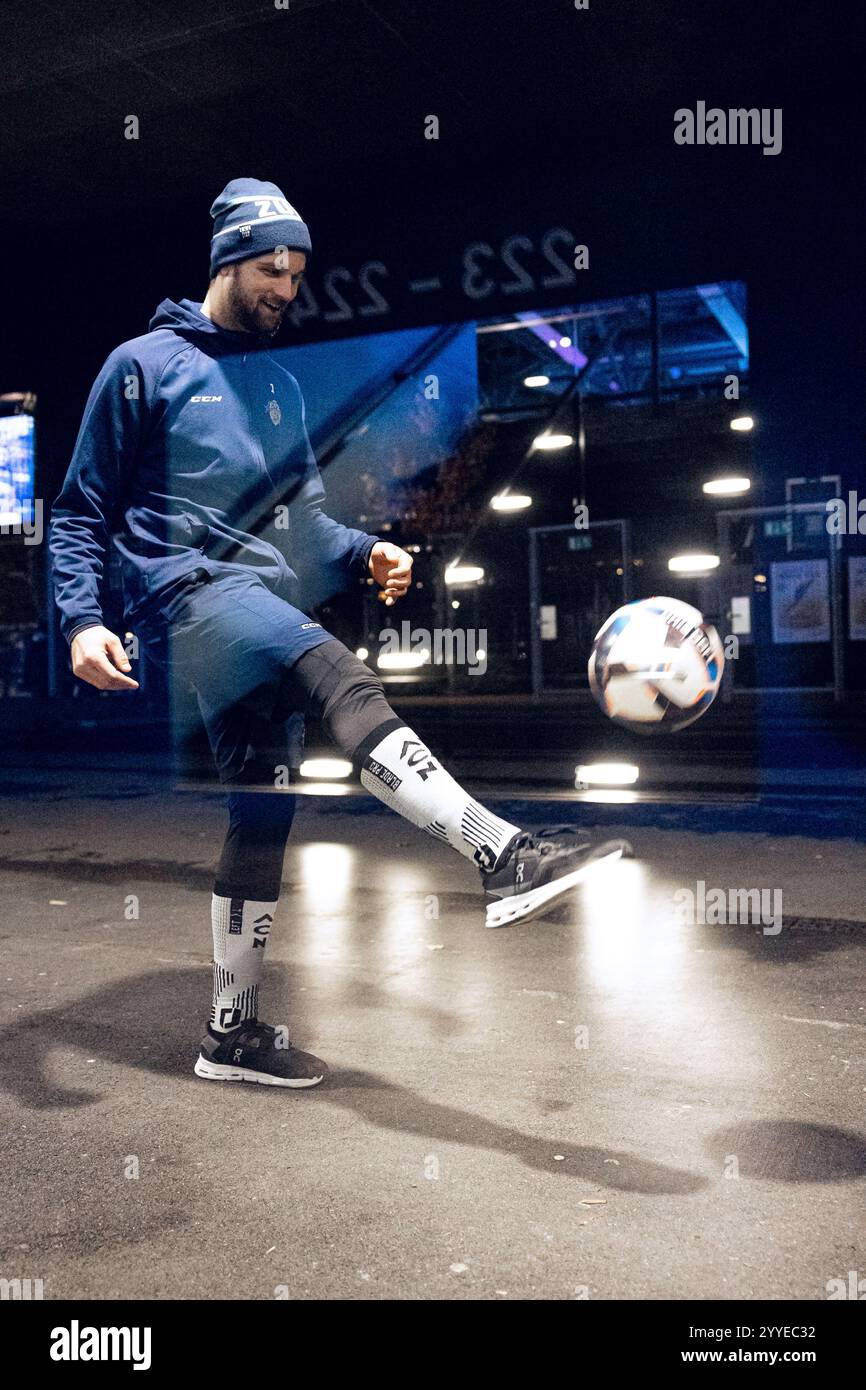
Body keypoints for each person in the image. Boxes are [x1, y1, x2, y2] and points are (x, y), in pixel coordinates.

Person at [49, 178, 631, 1089]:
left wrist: (368, 554)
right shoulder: (143, 366)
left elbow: (305, 525)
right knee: (341, 679)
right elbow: (80, 509)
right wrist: (82, 619)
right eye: (275, 269)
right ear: (230, 261)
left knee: (263, 804)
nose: (289, 287)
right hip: (184, 593)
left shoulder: (277, 387)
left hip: (254, 594)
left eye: (299, 272)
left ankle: (228, 1035)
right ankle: (503, 856)